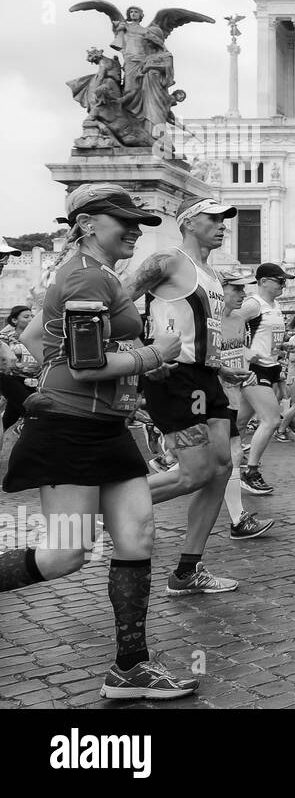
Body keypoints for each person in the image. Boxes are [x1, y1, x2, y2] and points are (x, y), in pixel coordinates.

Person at [0, 184, 196, 698]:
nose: (134, 230)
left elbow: (39, 338)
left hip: (107, 427)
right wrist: (155, 354)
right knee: (67, 554)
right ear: (86, 224)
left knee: (138, 538)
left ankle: (130, 668)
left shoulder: (101, 274)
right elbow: (86, 367)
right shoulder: (85, 275)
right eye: (122, 221)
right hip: (68, 429)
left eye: (138, 222)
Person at [129, 195, 243, 595]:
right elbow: (117, 302)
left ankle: (187, 571)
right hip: (173, 377)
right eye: (212, 218)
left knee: (223, 467)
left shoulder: (210, 273)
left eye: (224, 219)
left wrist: (221, 365)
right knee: (196, 472)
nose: (222, 224)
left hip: (205, 377)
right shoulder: (169, 261)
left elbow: (200, 332)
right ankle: (103, 512)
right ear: (189, 222)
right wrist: (142, 355)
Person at [215, 268, 274, 540]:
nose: (243, 294)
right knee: (230, 454)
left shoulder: (239, 318)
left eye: (244, 289)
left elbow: (239, 350)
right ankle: (239, 520)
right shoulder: (209, 319)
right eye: (236, 289)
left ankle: (127, 505)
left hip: (231, 395)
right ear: (220, 289)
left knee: (210, 464)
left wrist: (253, 362)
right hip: (212, 397)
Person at [230, 263, 295, 492]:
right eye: (280, 281)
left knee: (238, 423)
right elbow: (226, 327)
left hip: (271, 367)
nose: (283, 286)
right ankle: (251, 470)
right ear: (264, 281)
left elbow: (264, 336)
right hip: (254, 370)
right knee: (271, 420)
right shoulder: (252, 304)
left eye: (285, 282)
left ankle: (220, 465)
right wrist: (246, 352)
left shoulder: (275, 306)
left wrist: (282, 346)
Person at [0, 305, 40, 436]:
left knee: (9, 418)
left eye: (31, 316)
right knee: (32, 410)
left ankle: (20, 428)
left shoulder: (38, 337)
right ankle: (25, 427)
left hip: (36, 382)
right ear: (15, 320)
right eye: (26, 316)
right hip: (14, 380)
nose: (30, 319)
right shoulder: (6, 337)